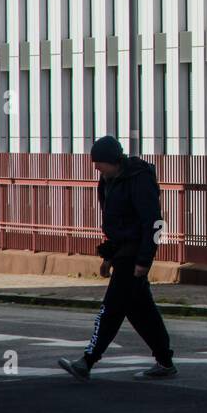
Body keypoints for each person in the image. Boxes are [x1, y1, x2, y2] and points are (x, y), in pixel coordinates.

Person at [58, 136, 178, 381]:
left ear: (113, 160)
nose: (96, 167)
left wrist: (144, 261)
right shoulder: (107, 181)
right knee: (141, 312)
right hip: (122, 254)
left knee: (111, 309)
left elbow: (153, 222)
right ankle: (165, 362)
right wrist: (108, 256)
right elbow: (114, 223)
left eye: (100, 162)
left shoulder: (139, 179)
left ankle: (87, 361)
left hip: (134, 256)